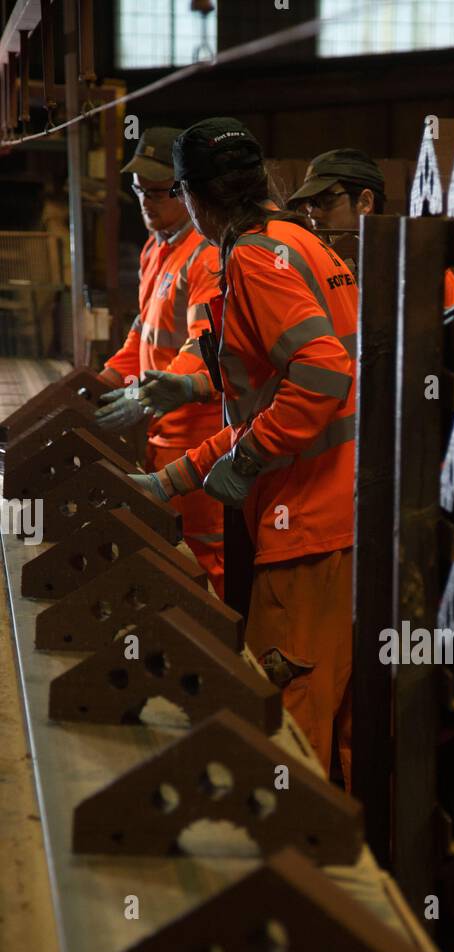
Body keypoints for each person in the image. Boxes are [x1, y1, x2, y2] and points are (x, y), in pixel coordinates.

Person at [131, 119, 357, 788]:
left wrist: (251, 457)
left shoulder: (256, 258)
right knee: (334, 722)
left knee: (290, 731)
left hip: (307, 524)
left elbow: (321, 375)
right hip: (339, 517)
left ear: (197, 198)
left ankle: (298, 878)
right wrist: (174, 479)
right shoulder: (300, 243)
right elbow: (271, 397)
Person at [94, 127, 226, 595]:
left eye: (158, 191)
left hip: (196, 436)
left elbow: (203, 347)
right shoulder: (157, 248)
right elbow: (143, 332)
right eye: (139, 191)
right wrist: (100, 383)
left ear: (187, 189)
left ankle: (222, 655)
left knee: (205, 554)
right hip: (159, 428)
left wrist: (145, 394)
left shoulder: (205, 256)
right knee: (172, 553)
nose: (147, 202)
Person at [288, 147, 454, 325]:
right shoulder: (309, 265)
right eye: (310, 204)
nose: (313, 214)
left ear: (365, 202)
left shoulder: (421, 265)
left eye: (326, 201)